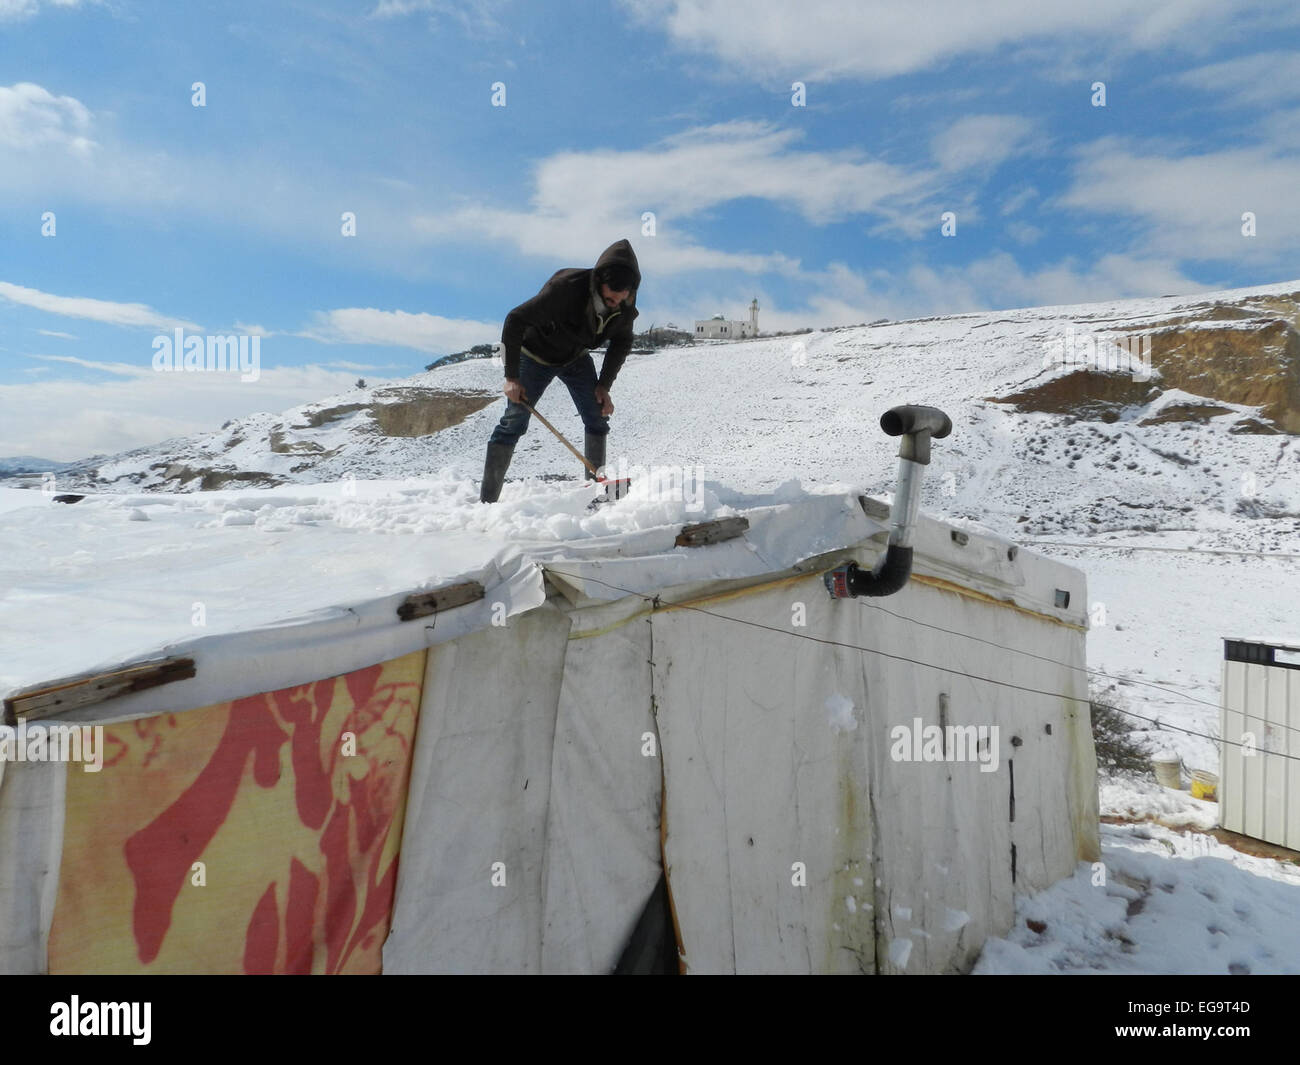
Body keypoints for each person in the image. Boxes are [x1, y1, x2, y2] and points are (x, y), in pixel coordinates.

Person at [479, 239, 641, 503]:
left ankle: (596, 494)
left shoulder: (624, 308)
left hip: (575, 357)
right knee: (513, 422)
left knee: (597, 415)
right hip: (534, 355)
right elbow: (515, 319)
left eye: (620, 300)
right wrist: (511, 377)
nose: (614, 305)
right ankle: (487, 501)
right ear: (598, 282)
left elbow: (622, 342)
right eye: (609, 298)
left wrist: (604, 385)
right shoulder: (565, 288)